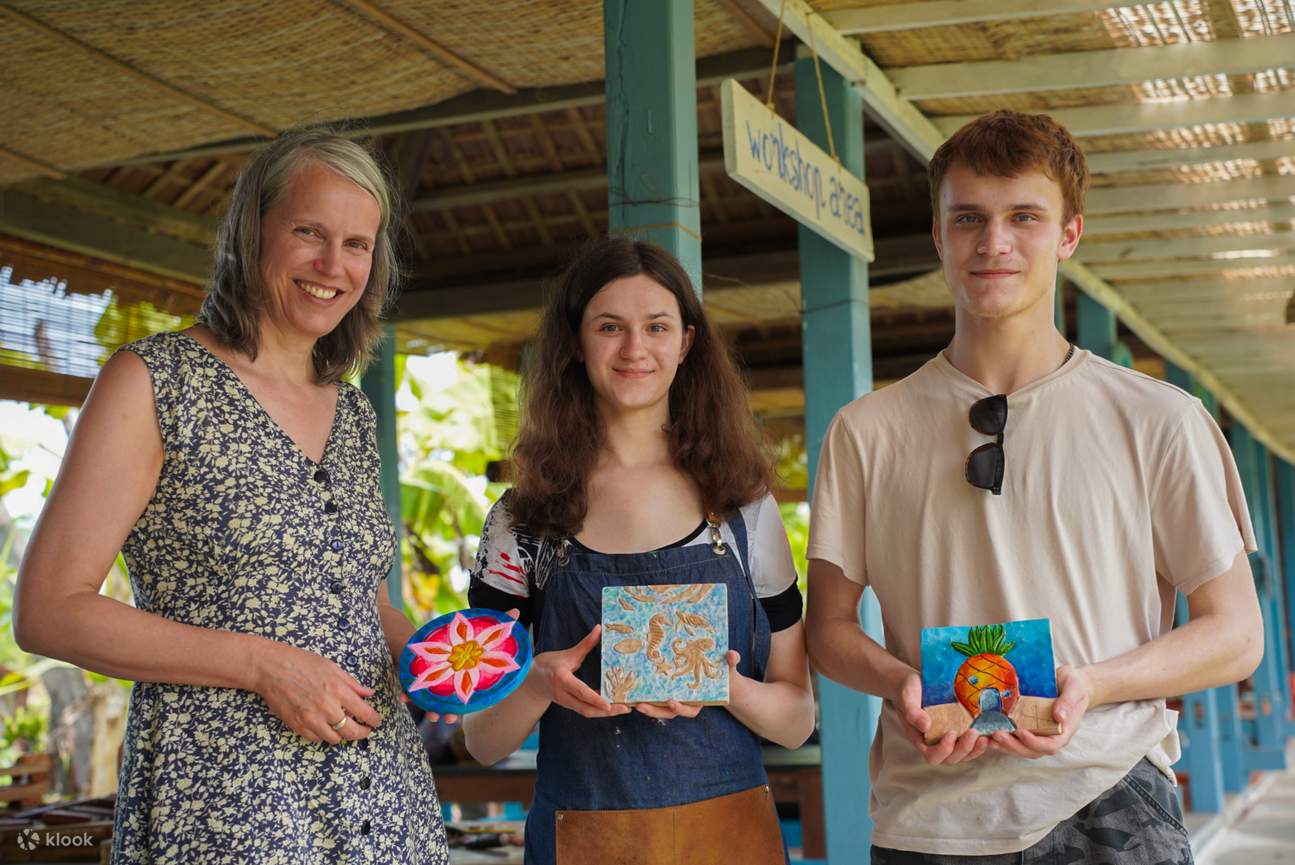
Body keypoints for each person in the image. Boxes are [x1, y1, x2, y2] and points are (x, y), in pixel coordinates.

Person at [804, 110, 1265, 863]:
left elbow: (1235, 633)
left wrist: (1092, 684)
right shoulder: (865, 430)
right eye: (968, 219)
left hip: (1108, 790)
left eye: (1024, 216)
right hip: (927, 817)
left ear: (1068, 235)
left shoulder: (1158, 418)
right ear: (937, 235)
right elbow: (828, 628)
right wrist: (904, 684)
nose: (993, 243)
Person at [14, 130, 450, 864]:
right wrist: (262, 664)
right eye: (308, 232)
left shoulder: (352, 413)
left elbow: (360, 604)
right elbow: (48, 610)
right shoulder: (154, 380)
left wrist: (448, 659)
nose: (331, 265)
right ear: (253, 231)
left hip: (383, 791)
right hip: (226, 798)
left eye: (355, 244)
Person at [461, 238, 815, 865]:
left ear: (686, 343)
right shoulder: (521, 522)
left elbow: (797, 719)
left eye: (656, 327)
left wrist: (726, 688)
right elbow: (482, 740)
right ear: (575, 342)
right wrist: (539, 682)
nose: (633, 349)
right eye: (609, 327)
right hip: (584, 839)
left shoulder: (743, 509)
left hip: (731, 836)